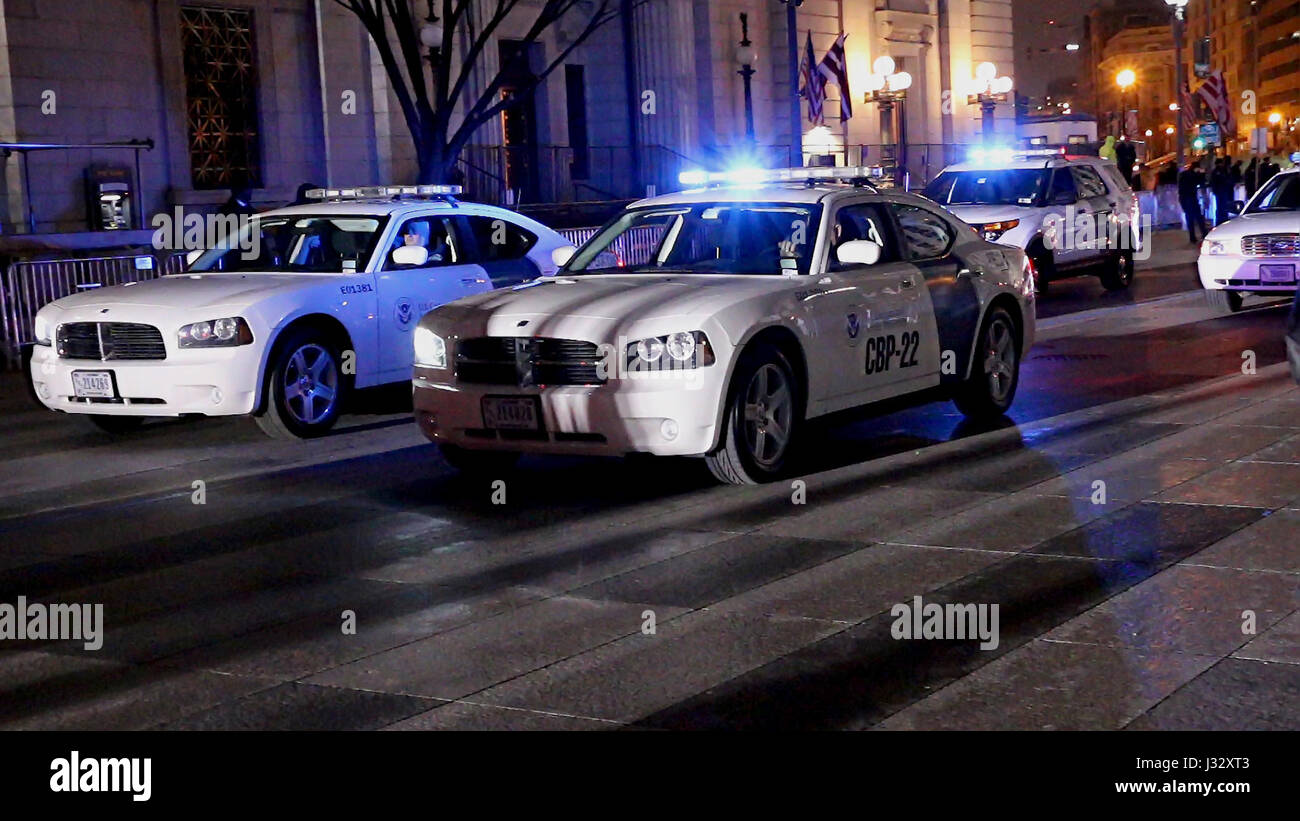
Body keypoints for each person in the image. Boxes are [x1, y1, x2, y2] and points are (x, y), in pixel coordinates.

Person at [1178, 161, 1208, 243]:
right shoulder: (1193, 175)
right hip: (1190, 198)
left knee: (1190, 218)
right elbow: (1201, 181)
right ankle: (1204, 233)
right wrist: (1202, 174)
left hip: (1183, 198)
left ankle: (1192, 237)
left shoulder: (1184, 174)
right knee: (1198, 217)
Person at [1209, 157, 1235, 225]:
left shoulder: (1217, 171)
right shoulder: (1220, 171)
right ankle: (1222, 220)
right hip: (1222, 190)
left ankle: (1221, 219)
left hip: (1220, 191)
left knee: (1220, 206)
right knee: (1222, 206)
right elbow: (1224, 180)